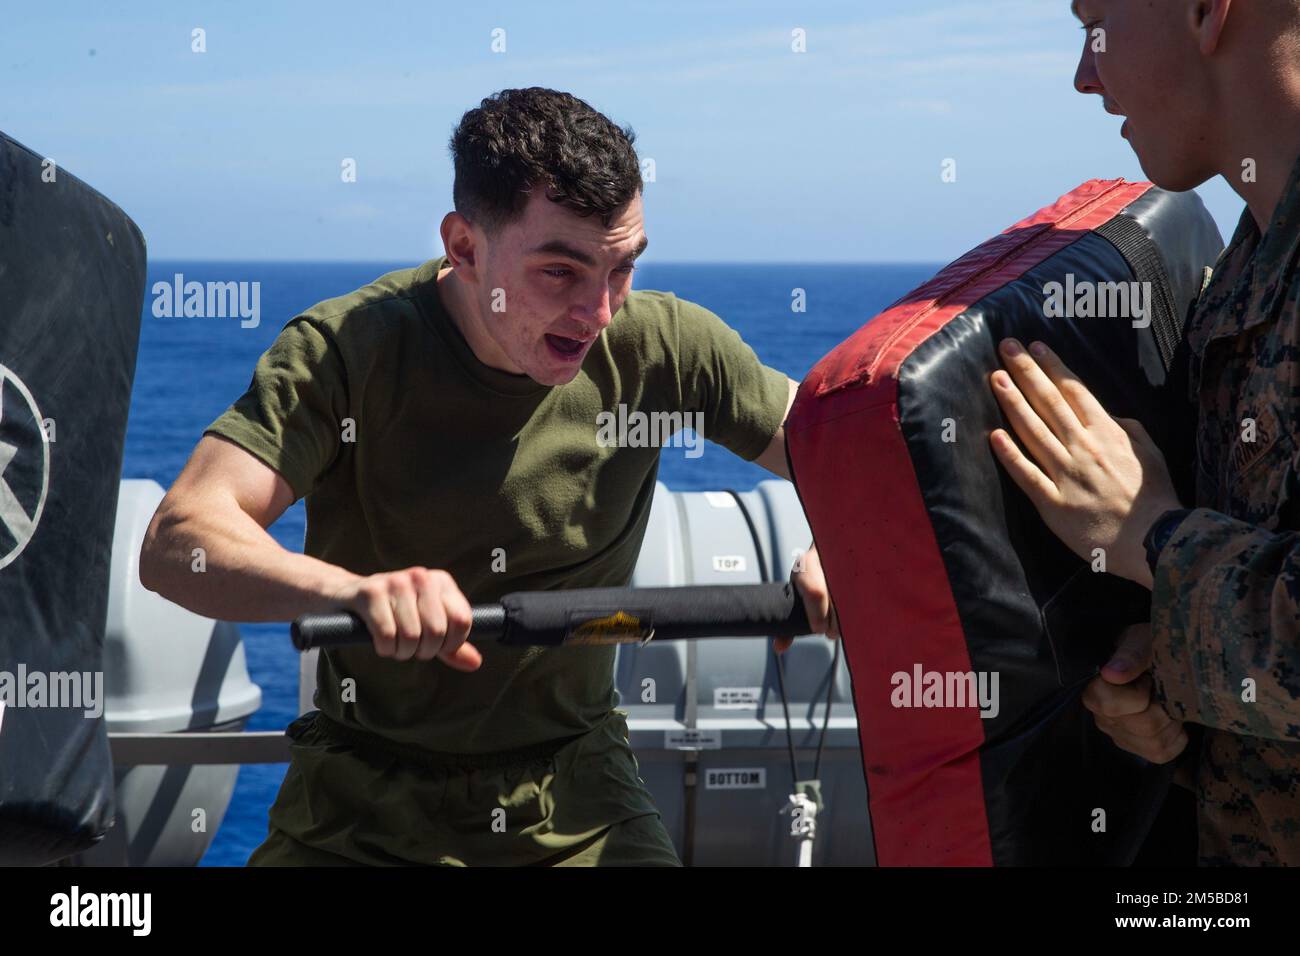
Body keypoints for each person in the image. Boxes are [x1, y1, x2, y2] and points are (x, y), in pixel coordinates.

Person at [139, 87, 838, 867]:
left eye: (621, 270)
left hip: (578, 790)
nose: (600, 313)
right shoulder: (348, 351)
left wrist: (847, 544)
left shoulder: (667, 347)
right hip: (357, 803)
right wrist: (353, 594)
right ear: (466, 249)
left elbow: (847, 457)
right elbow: (180, 539)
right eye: (560, 273)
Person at [989, 0, 1300, 864]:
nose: (1085, 75)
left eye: (1095, 24)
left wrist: (1149, 537)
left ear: (1206, 13)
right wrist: (1170, 667)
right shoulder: (1249, 265)